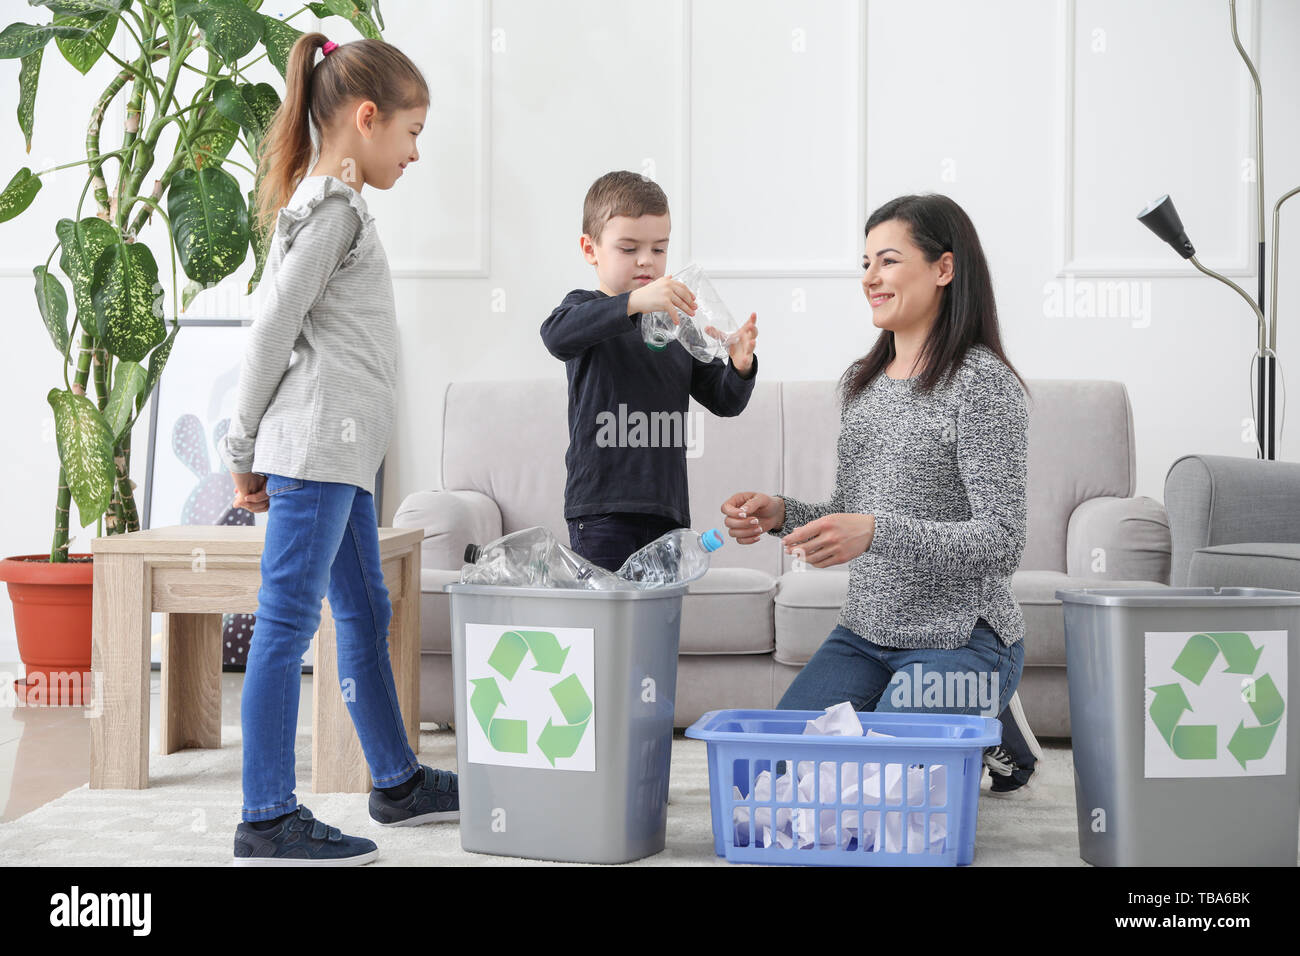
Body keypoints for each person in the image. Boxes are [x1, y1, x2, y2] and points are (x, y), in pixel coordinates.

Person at [218, 33, 456, 866]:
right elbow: (270, 330)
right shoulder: (333, 211)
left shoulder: (336, 207)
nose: (416, 151)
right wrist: (241, 446)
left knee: (364, 611)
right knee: (284, 624)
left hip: (343, 457)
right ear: (366, 118)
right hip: (316, 450)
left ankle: (395, 781)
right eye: (412, 131)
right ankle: (268, 816)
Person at [720, 193, 1043, 795]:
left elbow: (1003, 542)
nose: (869, 278)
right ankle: (975, 726)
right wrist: (783, 513)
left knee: (875, 789)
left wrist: (877, 531)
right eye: (866, 263)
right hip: (866, 633)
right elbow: (852, 514)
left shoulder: (982, 384)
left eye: (887, 261)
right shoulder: (860, 383)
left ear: (943, 269)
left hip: (959, 634)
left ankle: (991, 723)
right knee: (761, 780)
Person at [539, 171, 760, 571]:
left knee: (658, 624)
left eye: (659, 249)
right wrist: (635, 301)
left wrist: (740, 366)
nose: (647, 260)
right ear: (591, 249)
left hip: (667, 509)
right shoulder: (584, 308)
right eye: (628, 248)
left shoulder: (678, 323)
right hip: (601, 508)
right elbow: (556, 336)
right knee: (609, 625)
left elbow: (723, 399)